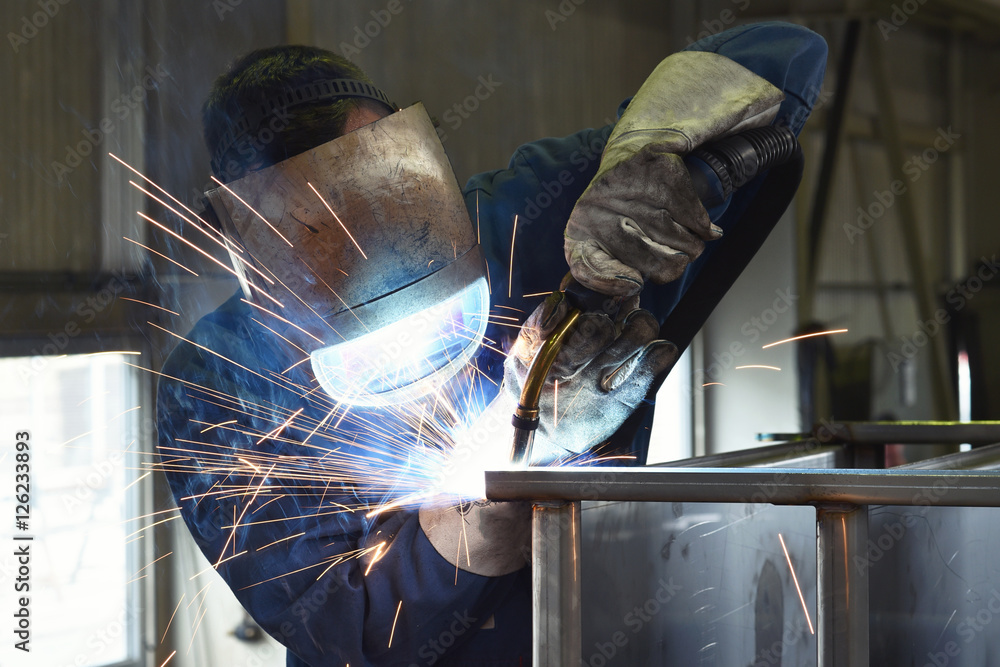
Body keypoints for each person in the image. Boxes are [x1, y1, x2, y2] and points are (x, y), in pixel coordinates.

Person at [156, 21, 827, 665]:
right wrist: (516, 449)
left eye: (376, 194)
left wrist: (642, 156)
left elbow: (787, 53)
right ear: (244, 240)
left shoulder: (530, 217)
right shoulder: (216, 384)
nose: (369, 247)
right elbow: (349, 629)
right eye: (318, 229)